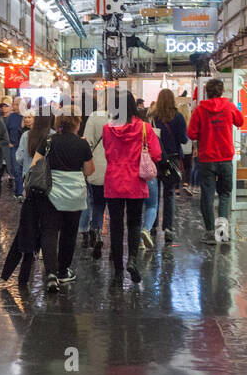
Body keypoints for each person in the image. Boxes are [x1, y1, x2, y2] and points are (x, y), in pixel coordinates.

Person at [102, 91, 163, 284]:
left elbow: (107, 151)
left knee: (116, 224)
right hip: (136, 181)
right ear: (133, 106)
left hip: (113, 181)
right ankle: (133, 260)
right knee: (135, 223)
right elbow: (157, 154)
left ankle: (118, 268)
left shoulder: (106, 128)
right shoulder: (145, 128)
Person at [35, 112, 95, 290]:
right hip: (74, 194)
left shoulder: (48, 141)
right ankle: (63, 271)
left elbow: (35, 165)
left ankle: (51, 273)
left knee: (50, 232)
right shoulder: (82, 143)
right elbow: (90, 171)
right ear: (77, 123)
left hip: (51, 192)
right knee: (69, 233)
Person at [187, 78, 244, 245]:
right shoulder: (229, 106)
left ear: (207, 92)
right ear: (222, 91)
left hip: (206, 159)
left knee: (207, 195)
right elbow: (240, 121)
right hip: (225, 158)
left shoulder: (200, 110)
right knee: (225, 194)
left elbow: (191, 134)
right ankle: (222, 232)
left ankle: (210, 233)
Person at [2, 115, 53, 289]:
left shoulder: (27, 136)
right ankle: (48, 266)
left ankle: (24, 271)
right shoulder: (52, 136)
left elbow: (18, 158)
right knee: (46, 227)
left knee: (28, 226)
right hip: (48, 186)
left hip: (29, 184)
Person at [151, 88, 188, 244]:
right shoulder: (178, 117)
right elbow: (184, 139)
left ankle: (152, 226)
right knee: (169, 194)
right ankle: (168, 229)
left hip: (155, 159)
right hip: (172, 160)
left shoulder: (153, 117)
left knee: (154, 196)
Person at [80, 101, 112, 257]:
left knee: (98, 203)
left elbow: (87, 142)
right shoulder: (121, 117)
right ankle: (115, 243)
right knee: (115, 208)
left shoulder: (95, 116)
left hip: (98, 167)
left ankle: (97, 230)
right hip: (116, 168)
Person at [137, 104, 161, 248]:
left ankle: (138, 239)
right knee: (152, 205)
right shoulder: (147, 128)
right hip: (147, 171)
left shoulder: (126, 128)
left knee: (136, 207)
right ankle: (146, 229)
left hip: (132, 173)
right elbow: (157, 154)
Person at [5, 97, 26, 195]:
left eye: (17, 104)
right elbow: (6, 131)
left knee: (25, 170)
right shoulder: (11, 117)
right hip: (14, 146)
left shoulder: (27, 116)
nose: (15, 106)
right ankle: (19, 192)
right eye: (14, 104)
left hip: (26, 147)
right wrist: (8, 142)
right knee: (16, 170)